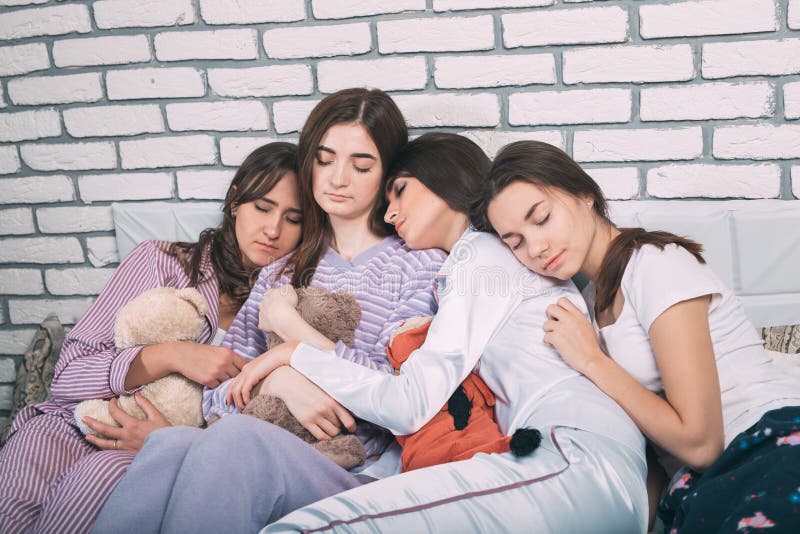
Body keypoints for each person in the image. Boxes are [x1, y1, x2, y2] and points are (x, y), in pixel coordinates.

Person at [242, 133, 650, 533]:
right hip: (563, 463)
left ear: (444, 176)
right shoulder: (480, 264)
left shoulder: (482, 255)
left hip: (574, 458)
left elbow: (408, 405)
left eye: (399, 191)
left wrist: (296, 353)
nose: (389, 213)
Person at [93, 88, 445, 534]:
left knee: (237, 439)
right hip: (258, 441)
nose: (338, 178)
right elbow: (217, 396)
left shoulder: (418, 264)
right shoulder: (282, 269)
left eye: (361, 165)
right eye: (324, 159)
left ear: (387, 172)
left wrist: (293, 346)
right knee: (167, 446)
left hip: (353, 467)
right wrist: (278, 379)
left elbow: (397, 398)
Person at [474, 140, 800, 533]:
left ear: (584, 194)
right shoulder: (589, 304)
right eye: (516, 243)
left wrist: (593, 361)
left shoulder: (656, 265)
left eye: (541, 219)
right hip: (700, 485)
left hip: (768, 444)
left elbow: (701, 443)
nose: (536, 248)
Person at [0, 142, 303, 534]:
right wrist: (171, 355)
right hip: (69, 424)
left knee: (92, 493)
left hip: (154, 453)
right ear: (234, 201)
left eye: (293, 218)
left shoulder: (287, 306)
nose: (273, 229)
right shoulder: (160, 262)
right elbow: (66, 378)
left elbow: (252, 434)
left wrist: (169, 442)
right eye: (262, 208)